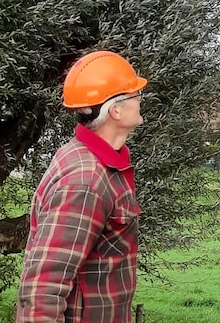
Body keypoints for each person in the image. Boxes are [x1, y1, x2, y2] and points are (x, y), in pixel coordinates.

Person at [17, 50, 148, 323]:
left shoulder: (93, 159)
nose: (140, 99)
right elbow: (43, 288)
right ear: (115, 110)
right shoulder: (85, 183)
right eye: (136, 94)